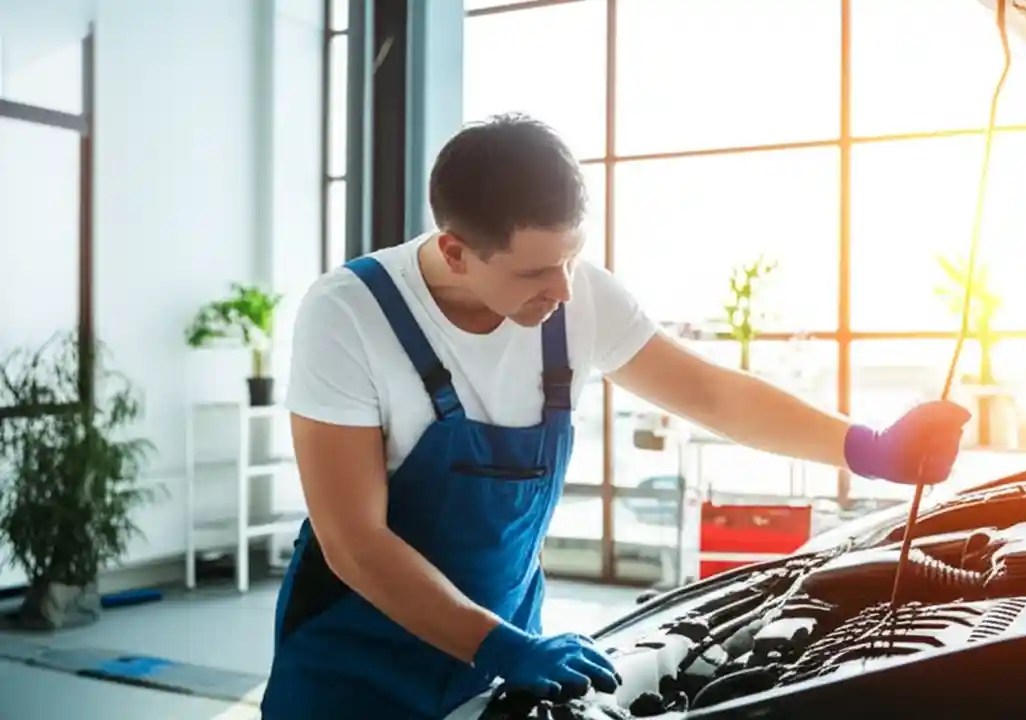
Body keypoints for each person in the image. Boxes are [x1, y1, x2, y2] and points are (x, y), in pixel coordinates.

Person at [259, 114, 971, 719]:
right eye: (536, 271)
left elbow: (713, 395)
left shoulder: (575, 295)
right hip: (353, 669)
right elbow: (354, 541)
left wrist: (867, 447)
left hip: (500, 658)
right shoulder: (349, 314)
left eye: (572, 258)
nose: (563, 289)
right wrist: (500, 644)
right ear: (455, 250)